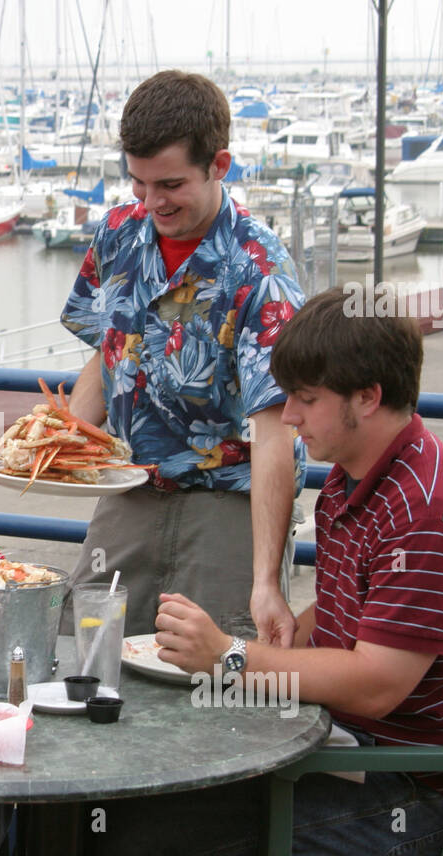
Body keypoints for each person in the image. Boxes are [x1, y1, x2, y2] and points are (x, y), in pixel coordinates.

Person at [86, 288, 443, 856]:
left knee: (139, 840)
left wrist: (229, 658)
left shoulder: (429, 512)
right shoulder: (359, 475)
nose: (287, 416)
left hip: (415, 794)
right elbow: (363, 610)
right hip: (349, 756)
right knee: (121, 806)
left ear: (367, 398)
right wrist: (292, 627)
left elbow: (375, 685)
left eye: (305, 398)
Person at [60, 70, 306, 642]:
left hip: (227, 499)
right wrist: (60, 442)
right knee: (85, 645)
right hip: (128, 485)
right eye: (139, 184)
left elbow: (276, 433)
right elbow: (110, 348)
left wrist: (265, 579)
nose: (152, 203)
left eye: (169, 185)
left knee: (217, 673)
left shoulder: (260, 272)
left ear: (219, 165)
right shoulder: (117, 233)